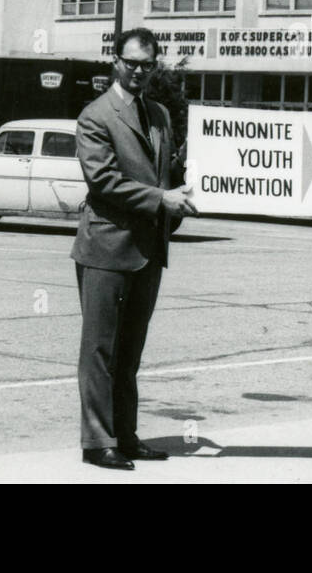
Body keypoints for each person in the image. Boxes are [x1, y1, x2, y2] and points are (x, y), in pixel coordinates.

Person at [72, 26, 197, 469]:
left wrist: (181, 197)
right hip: (105, 245)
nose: (139, 71)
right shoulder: (96, 115)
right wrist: (160, 198)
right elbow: (102, 180)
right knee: (100, 350)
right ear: (116, 62)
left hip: (148, 248)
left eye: (147, 64)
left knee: (130, 352)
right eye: (131, 63)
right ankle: (97, 441)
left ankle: (125, 434)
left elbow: (165, 172)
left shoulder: (159, 114)